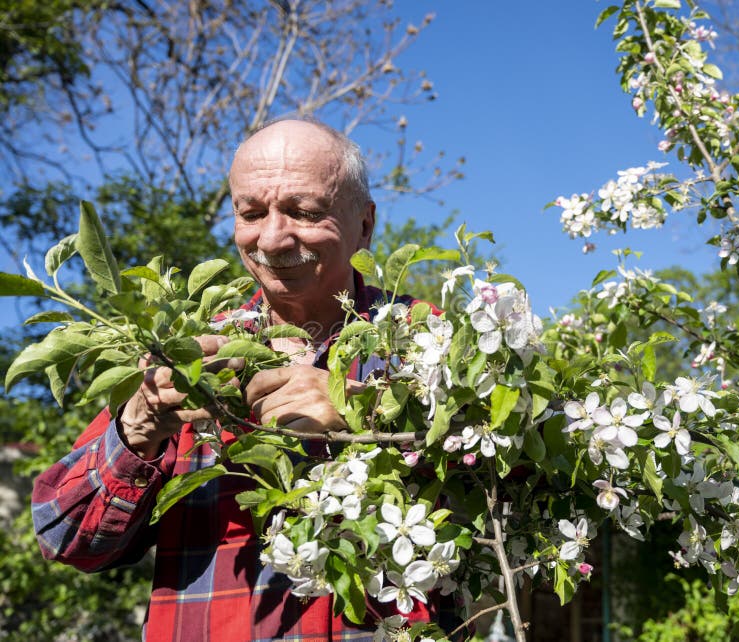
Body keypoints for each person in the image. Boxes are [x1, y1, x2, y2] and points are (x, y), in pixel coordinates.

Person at [31, 119, 437, 641]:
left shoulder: (429, 340)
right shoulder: (190, 358)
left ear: (364, 223)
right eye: (251, 213)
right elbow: (65, 536)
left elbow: (540, 478)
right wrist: (137, 427)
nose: (272, 238)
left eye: (305, 212)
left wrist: (368, 415)